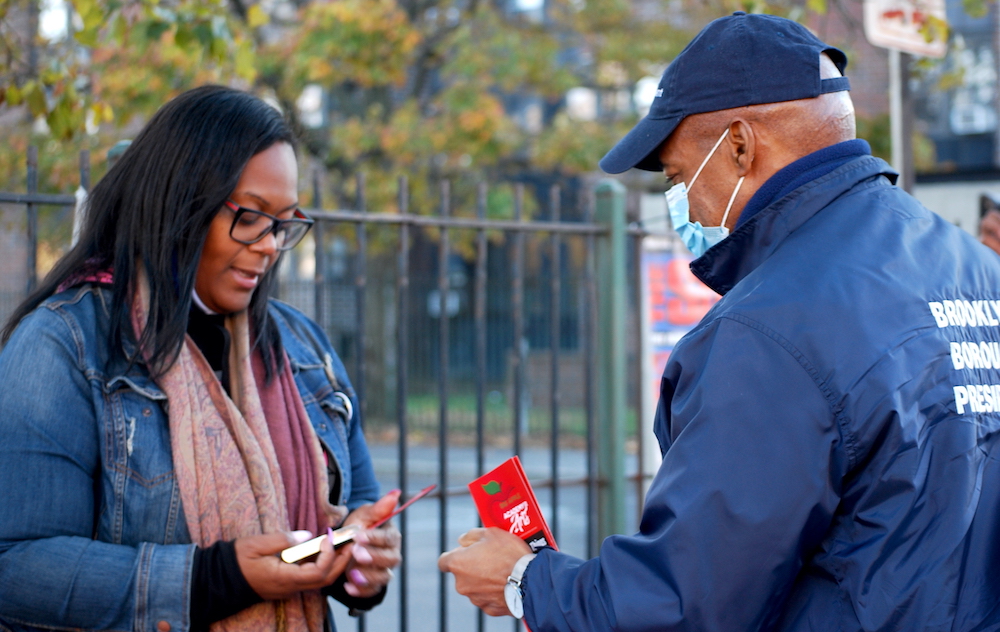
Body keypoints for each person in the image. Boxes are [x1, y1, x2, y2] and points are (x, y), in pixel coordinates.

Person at [439, 11, 1000, 631]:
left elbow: (687, 604)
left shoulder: (770, 330)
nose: (679, 203)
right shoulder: (976, 272)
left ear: (739, 145)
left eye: (678, 178)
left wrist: (524, 581)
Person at [0, 85, 400, 632]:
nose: (268, 244)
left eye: (283, 223)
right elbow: (16, 567)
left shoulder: (301, 346)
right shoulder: (64, 344)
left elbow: (357, 501)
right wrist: (215, 578)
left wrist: (357, 563)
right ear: (179, 204)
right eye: (251, 216)